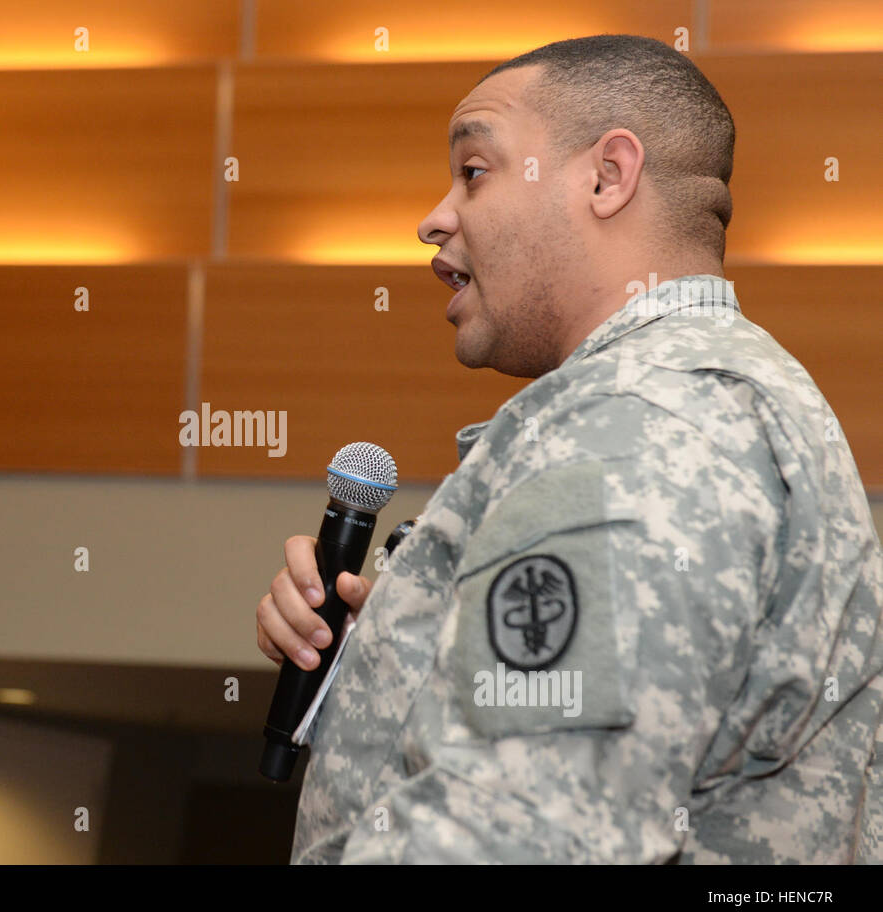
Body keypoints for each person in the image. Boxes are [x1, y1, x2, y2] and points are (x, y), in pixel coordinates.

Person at [255, 34, 883, 864]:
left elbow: (520, 832)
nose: (434, 218)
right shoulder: (691, 402)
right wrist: (402, 650)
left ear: (605, 176)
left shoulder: (639, 425)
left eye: (473, 171)